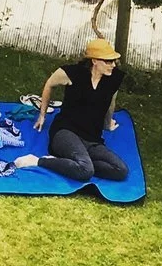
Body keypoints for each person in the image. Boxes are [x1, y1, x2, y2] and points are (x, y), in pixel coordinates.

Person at [15, 36, 129, 182]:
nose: (113, 65)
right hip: (66, 131)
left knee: (121, 170)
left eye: (113, 61)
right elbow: (49, 84)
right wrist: (42, 115)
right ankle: (38, 161)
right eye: (108, 61)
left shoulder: (113, 78)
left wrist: (107, 123)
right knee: (86, 171)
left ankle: (71, 164)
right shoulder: (72, 73)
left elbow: (110, 102)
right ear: (94, 61)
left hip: (92, 137)